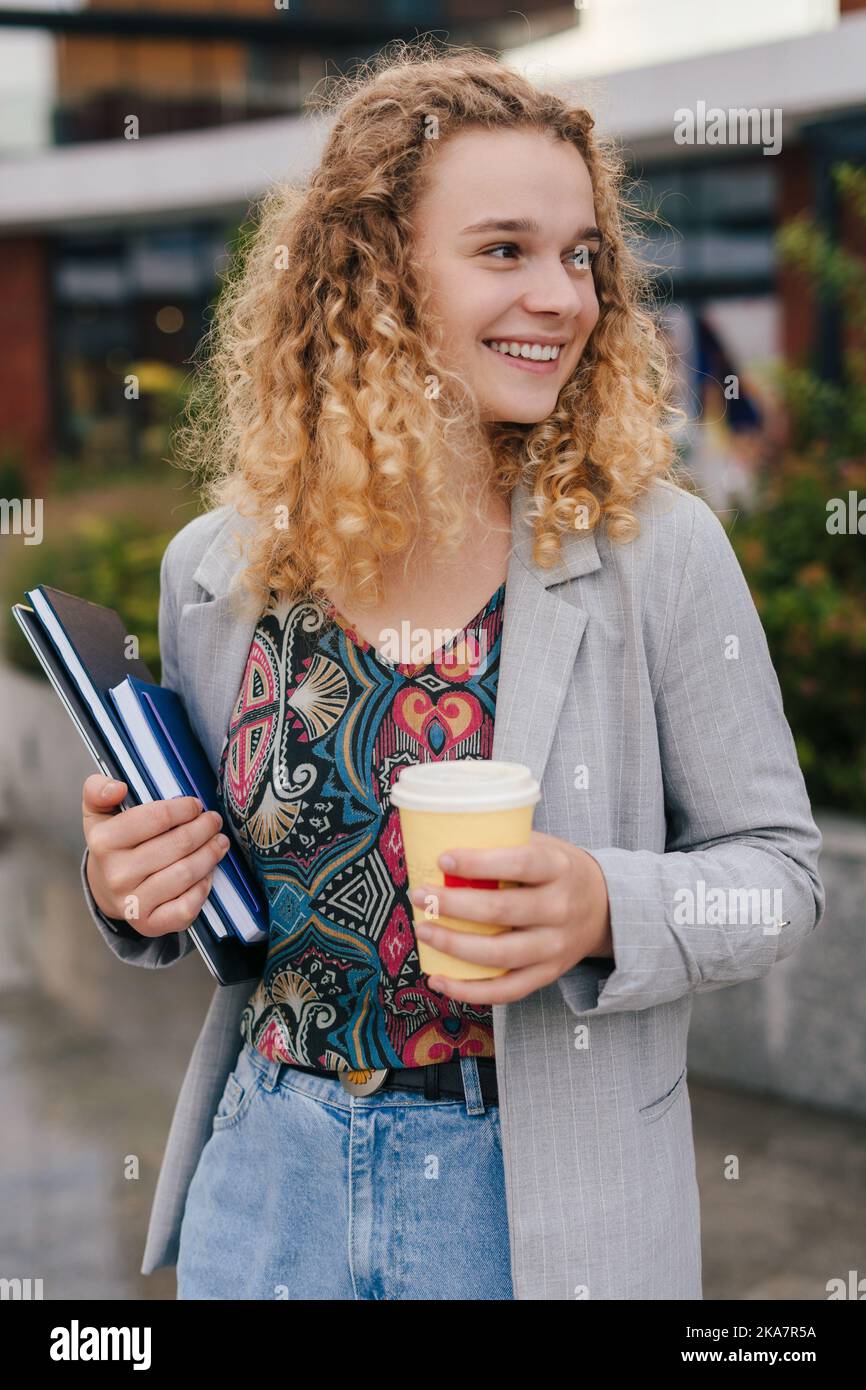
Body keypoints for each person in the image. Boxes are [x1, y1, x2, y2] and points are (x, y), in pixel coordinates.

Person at [79, 44, 825, 1300]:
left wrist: (601, 905)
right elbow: (218, 904)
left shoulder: (659, 551)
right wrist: (128, 889)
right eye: (503, 251)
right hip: (269, 1182)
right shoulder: (222, 571)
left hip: (534, 1207)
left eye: (580, 253)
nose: (563, 294)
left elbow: (782, 879)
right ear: (374, 275)